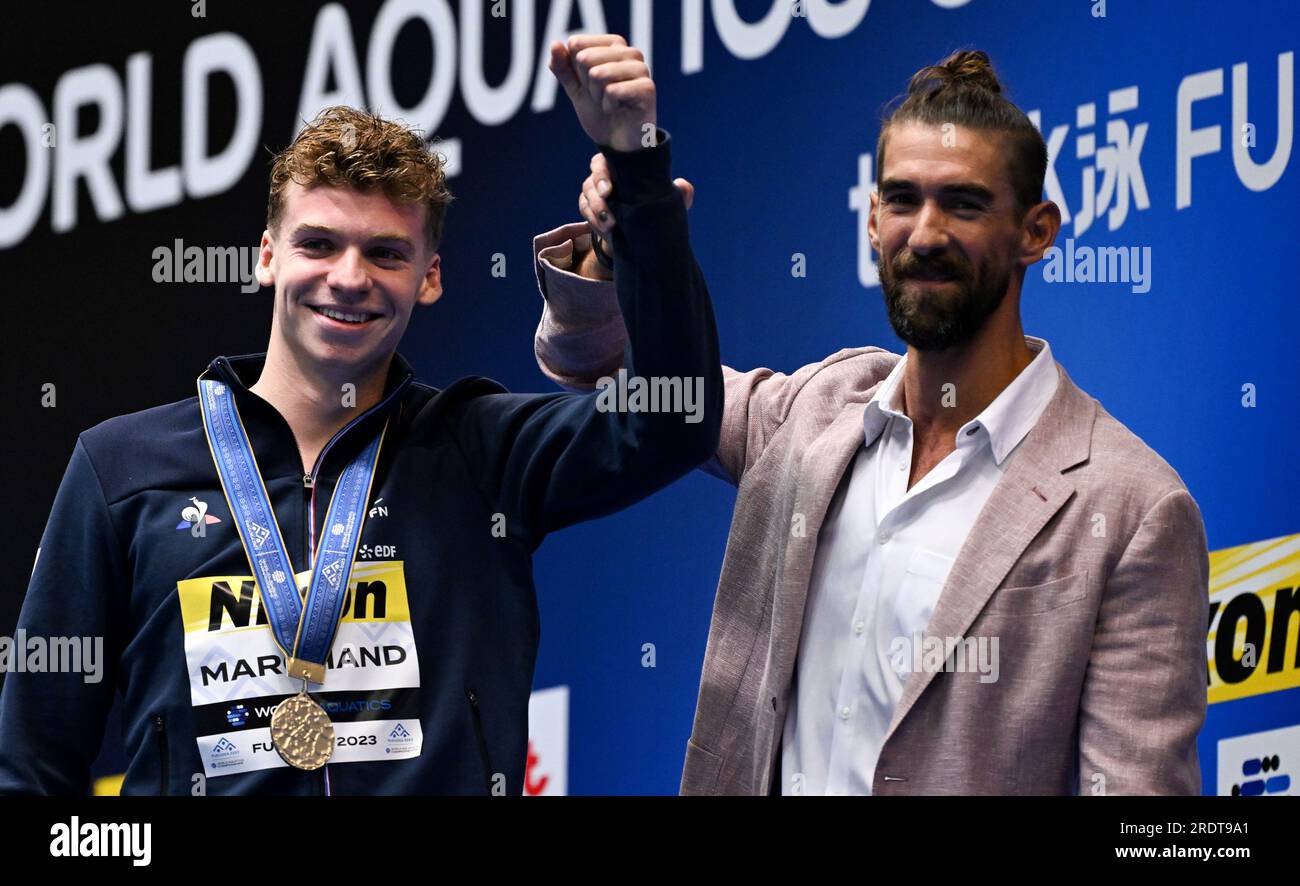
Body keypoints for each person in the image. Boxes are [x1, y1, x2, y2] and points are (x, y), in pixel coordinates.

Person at [0, 34, 721, 795]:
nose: (349, 279)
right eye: (318, 244)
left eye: (385, 253)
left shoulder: (480, 451)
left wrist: (637, 168)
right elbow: (30, 767)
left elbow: (675, 420)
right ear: (267, 255)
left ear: (430, 278)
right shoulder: (121, 468)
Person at [531, 50, 1209, 795]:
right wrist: (615, 242)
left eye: (964, 203)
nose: (924, 234)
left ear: (1036, 231)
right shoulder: (811, 412)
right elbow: (614, 369)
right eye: (903, 199)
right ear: (871, 221)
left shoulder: (1130, 506)